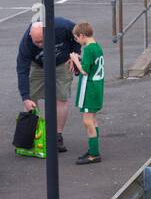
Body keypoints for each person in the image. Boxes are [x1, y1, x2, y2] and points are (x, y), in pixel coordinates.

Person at [16, 17, 80, 153]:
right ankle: (34, 134)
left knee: (61, 97)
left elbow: (77, 34)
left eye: (42, 41)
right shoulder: (26, 43)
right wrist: (25, 97)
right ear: (30, 35)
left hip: (62, 63)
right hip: (39, 65)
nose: (39, 44)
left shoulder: (62, 27)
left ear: (48, 33)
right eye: (36, 42)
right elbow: (22, 70)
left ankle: (57, 136)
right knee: (31, 97)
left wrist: (75, 55)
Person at [69, 22, 106, 165]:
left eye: (77, 38)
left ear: (82, 35)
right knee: (93, 119)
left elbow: (84, 70)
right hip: (97, 86)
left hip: (90, 88)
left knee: (87, 121)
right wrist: (80, 59)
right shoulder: (97, 46)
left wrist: (74, 60)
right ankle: (92, 149)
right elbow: (92, 64)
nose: (77, 40)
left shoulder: (89, 49)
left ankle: (94, 154)